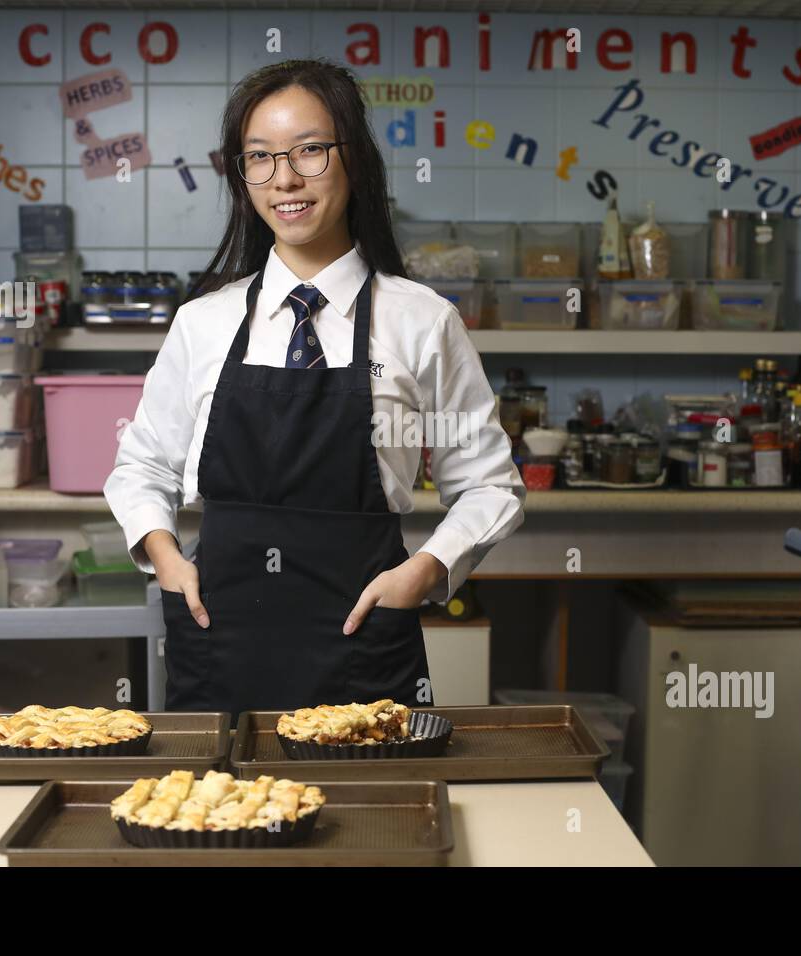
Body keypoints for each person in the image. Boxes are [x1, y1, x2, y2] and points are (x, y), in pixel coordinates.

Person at [104, 59, 525, 719]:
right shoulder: (204, 322)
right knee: (216, 815)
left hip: (365, 643)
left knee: (371, 820)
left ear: (352, 158)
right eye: (260, 158)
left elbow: (489, 485)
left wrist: (426, 570)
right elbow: (143, 464)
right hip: (221, 643)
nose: (286, 179)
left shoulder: (421, 321)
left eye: (309, 151)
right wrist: (165, 557)